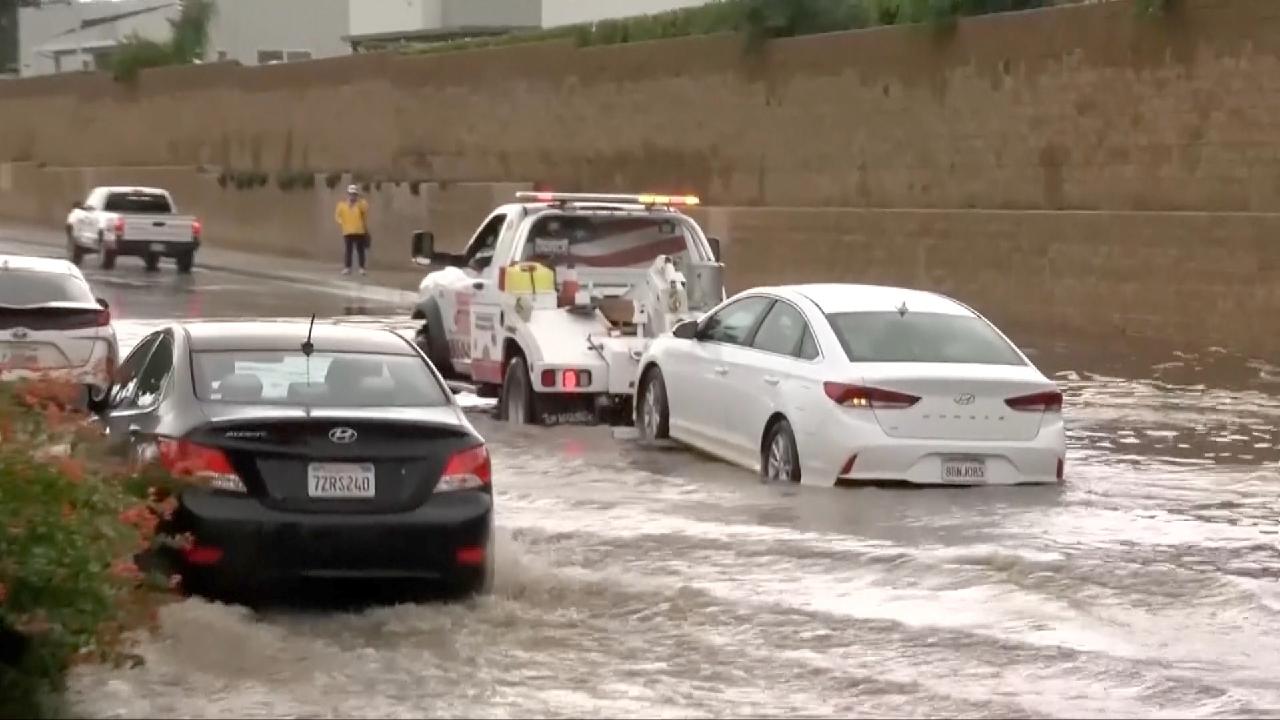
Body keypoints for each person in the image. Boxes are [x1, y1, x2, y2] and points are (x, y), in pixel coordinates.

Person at [334, 184, 371, 275]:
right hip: (347, 231)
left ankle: (362, 268)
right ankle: (348, 268)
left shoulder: (360, 204)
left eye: (354, 194)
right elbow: (337, 216)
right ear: (348, 194)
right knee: (348, 250)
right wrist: (342, 222)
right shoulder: (342, 204)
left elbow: (366, 209)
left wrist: (361, 199)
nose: (352, 196)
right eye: (351, 194)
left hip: (359, 230)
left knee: (360, 250)